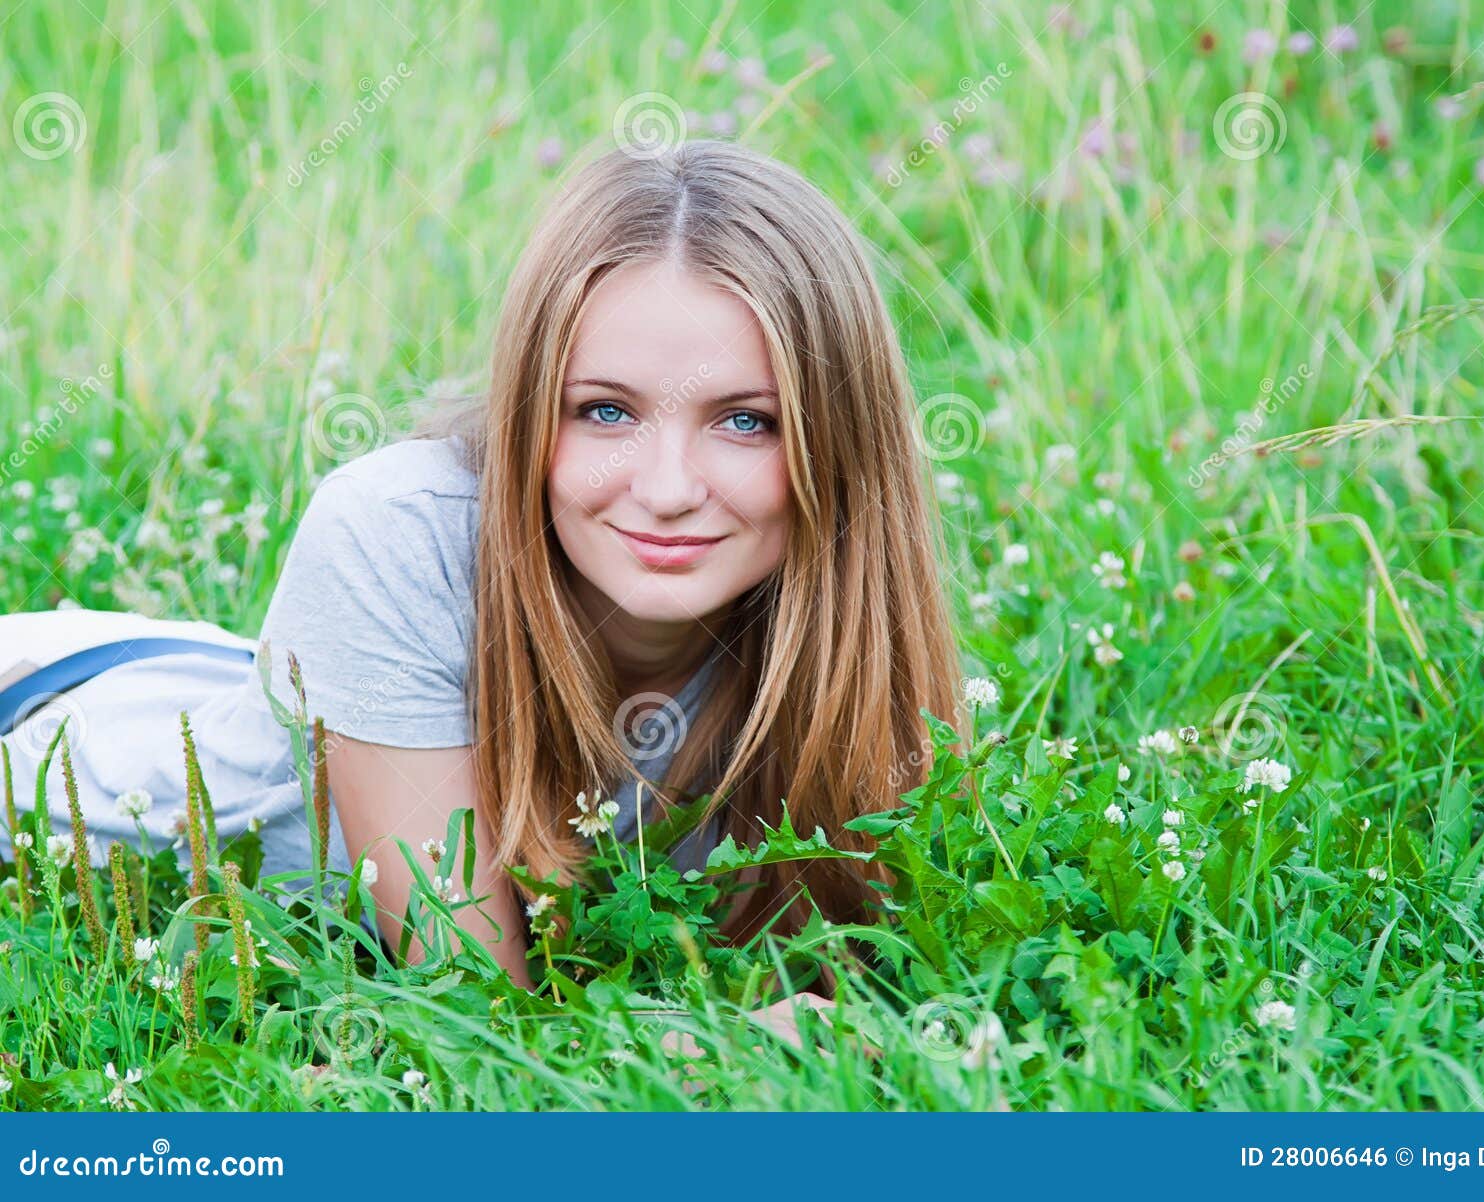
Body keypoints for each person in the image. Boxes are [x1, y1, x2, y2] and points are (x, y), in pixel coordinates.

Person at [0, 139, 968, 1019]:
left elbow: (861, 960)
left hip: (205, 675)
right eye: (603, 411)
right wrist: (724, 1045)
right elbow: (474, 1017)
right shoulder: (397, 527)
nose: (670, 490)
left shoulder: (827, 609)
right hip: (44, 724)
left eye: (746, 420)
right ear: (525, 412)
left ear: (841, 438)